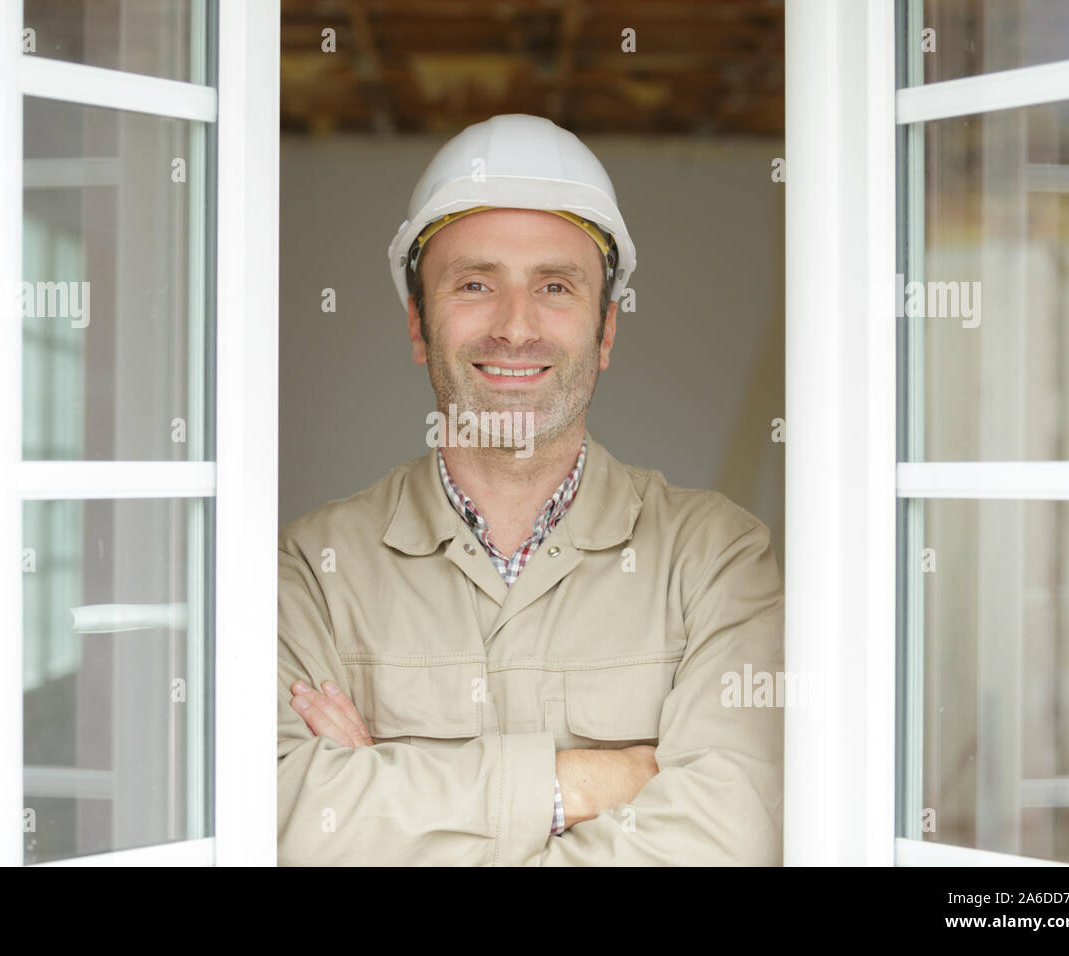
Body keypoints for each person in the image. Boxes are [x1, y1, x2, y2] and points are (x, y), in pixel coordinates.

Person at [278, 113, 783, 865]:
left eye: (554, 286)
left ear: (606, 330)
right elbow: (286, 819)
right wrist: (586, 781)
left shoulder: (715, 560)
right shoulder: (315, 569)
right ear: (418, 324)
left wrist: (381, 793)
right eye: (475, 283)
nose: (516, 328)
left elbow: (730, 837)